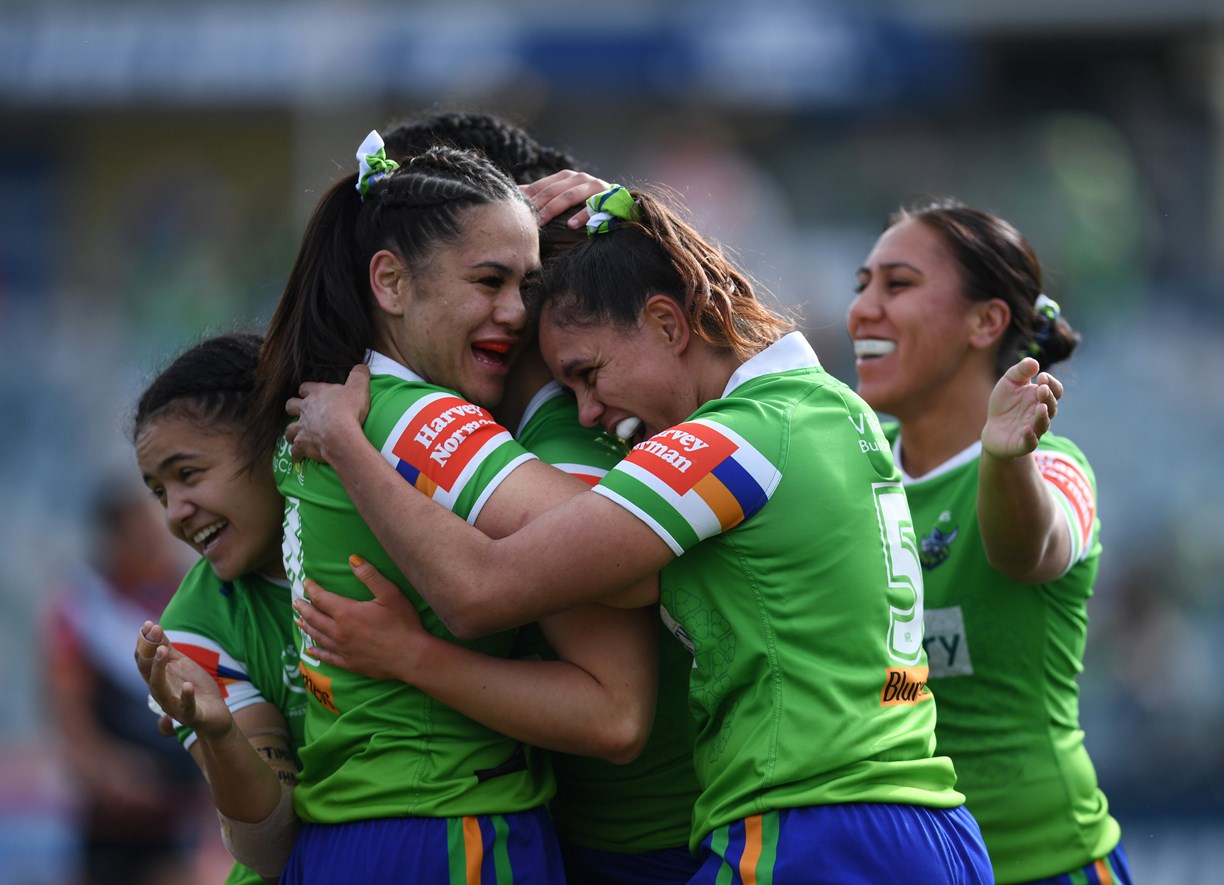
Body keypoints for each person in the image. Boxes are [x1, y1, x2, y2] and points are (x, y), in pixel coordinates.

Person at [285, 184, 994, 883]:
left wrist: (346, 442)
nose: (589, 413)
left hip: (815, 828)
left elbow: (479, 590)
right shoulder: (832, 406)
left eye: (588, 374)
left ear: (666, 322)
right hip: (927, 818)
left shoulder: (732, 442)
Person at [295, 110, 703, 885]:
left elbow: (611, 685)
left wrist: (413, 655)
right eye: (488, 277)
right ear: (392, 276)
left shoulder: (545, 428)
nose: (513, 308)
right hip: (442, 826)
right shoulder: (397, 409)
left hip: (637, 839)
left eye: (525, 278)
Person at [847, 197, 1130, 884]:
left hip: (1048, 865)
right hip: (909, 867)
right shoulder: (851, 464)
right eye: (863, 285)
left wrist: (1004, 462)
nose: (862, 310)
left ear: (986, 320)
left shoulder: (1054, 466)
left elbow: (1027, 551)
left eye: (899, 284)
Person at [131, 332, 309, 885]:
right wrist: (220, 733)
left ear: (271, 438)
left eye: (188, 475)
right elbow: (271, 847)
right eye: (160, 492)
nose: (175, 515)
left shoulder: (386, 527)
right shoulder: (189, 632)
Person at [43, 474, 208, 885]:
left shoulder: (181, 595)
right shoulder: (82, 609)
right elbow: (70, 712)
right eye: (142, 534)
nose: (158, 542)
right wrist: (107, 770)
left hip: (176, 810)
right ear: (114, 540)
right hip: (113, 819)